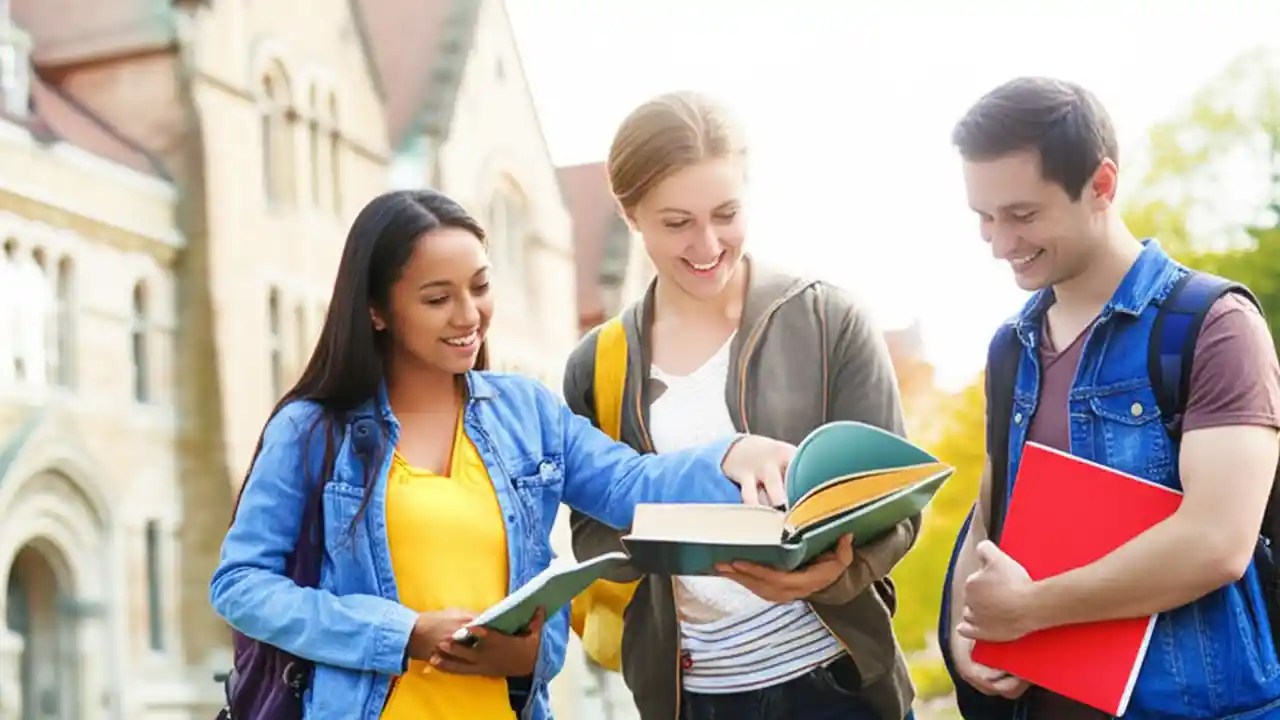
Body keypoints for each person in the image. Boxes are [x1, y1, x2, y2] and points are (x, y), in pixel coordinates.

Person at [208, 189, 797, 720]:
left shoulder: (527, 413)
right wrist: (403, 633)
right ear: (377, 310)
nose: (469, 316)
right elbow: (241, 585)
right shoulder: (312, 432)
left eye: (480, 287)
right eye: (438, 298)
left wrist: (729, 457)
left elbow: (629, 485)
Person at [564, 90, 919, 720]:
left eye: (726, 213)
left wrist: (827, 573)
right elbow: (592, 532)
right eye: (677, 223)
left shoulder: (828, 319)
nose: (707, 244)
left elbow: (897, 503)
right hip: (693, 698)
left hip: (840, 685)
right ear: (630, 213)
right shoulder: (599, 364)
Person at [944, 76, 1280, 718]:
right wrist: (972, 637)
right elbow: (994, 506)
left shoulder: (1212, 325)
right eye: (984, 218)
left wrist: (1029, 610)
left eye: (1022, 214)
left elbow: (1218, 541)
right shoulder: (1009, 348)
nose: (1000, 243)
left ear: (1101, 185)